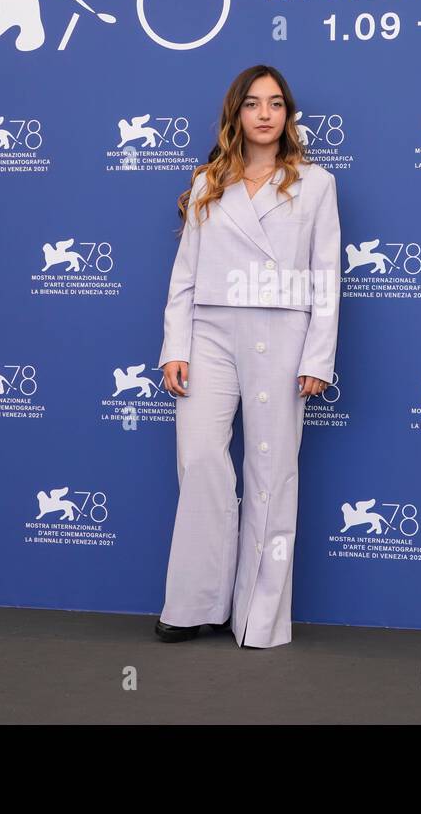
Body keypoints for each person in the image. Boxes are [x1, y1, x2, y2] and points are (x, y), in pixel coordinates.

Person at [154, 64, 341, 649]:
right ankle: (194, 603)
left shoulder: (315, 184)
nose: (266, 113)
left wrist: (318, 357)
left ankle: (259, 619)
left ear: (288, 116)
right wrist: (175, 346)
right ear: (236, 113)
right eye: (254, 103)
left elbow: (325, 278)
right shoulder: (210, 181)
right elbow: (183, 276)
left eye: (277, 103)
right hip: (209, 330)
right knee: (201, 457)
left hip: (283, 334)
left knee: (272, 470)